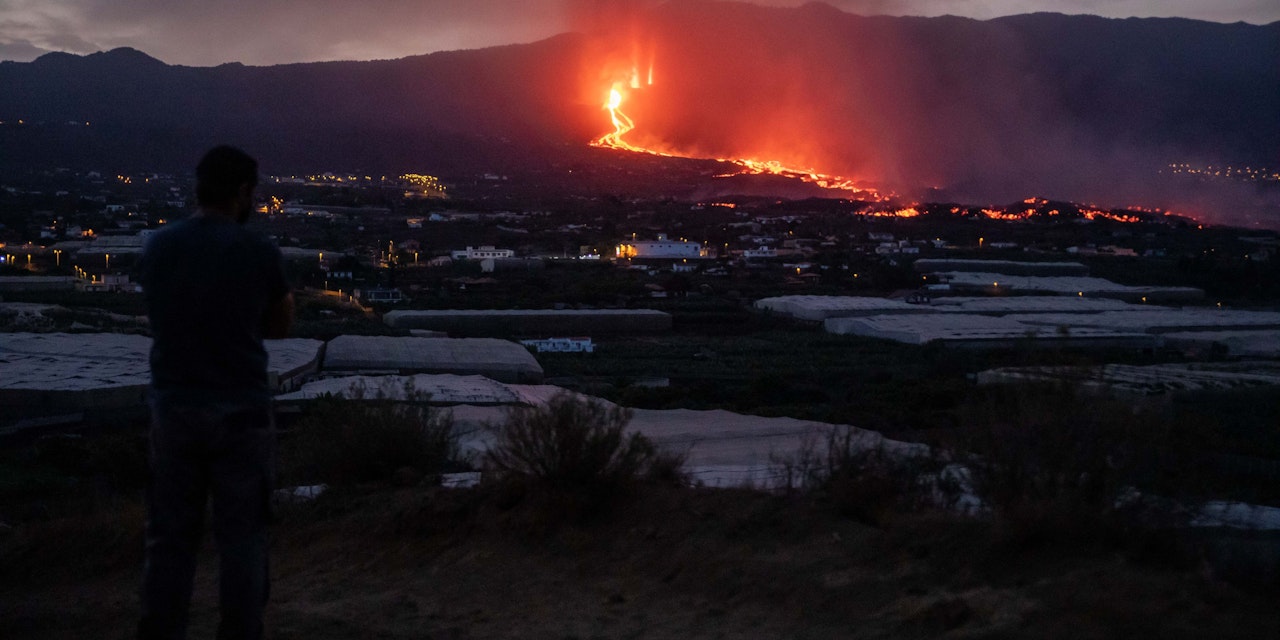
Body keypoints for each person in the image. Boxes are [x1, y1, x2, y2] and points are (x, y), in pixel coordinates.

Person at [136, 145, 293, 640]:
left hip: (175, 408)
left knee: (169, 541)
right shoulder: (257, 251)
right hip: (241, 411)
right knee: (242, 539)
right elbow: (281, 323)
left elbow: (156, 313)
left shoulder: (159, 246)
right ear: (244, 192)